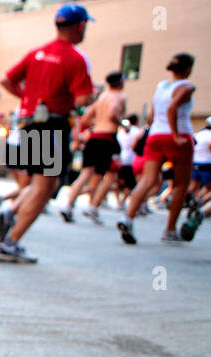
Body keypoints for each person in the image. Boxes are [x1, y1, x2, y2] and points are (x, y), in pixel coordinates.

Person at [0, 3, 98, 263]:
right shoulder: (76, 58)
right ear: (80, 26)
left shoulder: (37, 53)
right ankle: (10, 241)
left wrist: (27, 97)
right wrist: (92, 95)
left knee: (40, 184)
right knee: (45, 188)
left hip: (28, 123)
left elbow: (5, 80)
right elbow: (83, 98)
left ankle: (8, 213)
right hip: (52, 125)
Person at [118, 53, 197, 245]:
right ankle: (170, 229)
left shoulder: (160, 86)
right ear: (188, 69)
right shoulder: (187, 86)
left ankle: (127, 218)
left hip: (155, 136)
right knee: (180, 185)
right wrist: (177, 135)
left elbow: (152, 116)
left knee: (147, 180)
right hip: (178, 136)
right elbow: (172, 108)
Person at [63, 71, 126, 223]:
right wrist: (122, 123)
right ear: (121, 83)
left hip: (94, 138)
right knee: (110, 175)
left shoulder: (101, 98)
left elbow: (85, 118)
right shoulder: (120, 97)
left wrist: (96, 125)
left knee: (85, 174)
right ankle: (93, 206)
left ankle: (68, 206)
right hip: (108, 138)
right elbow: (112, 114)